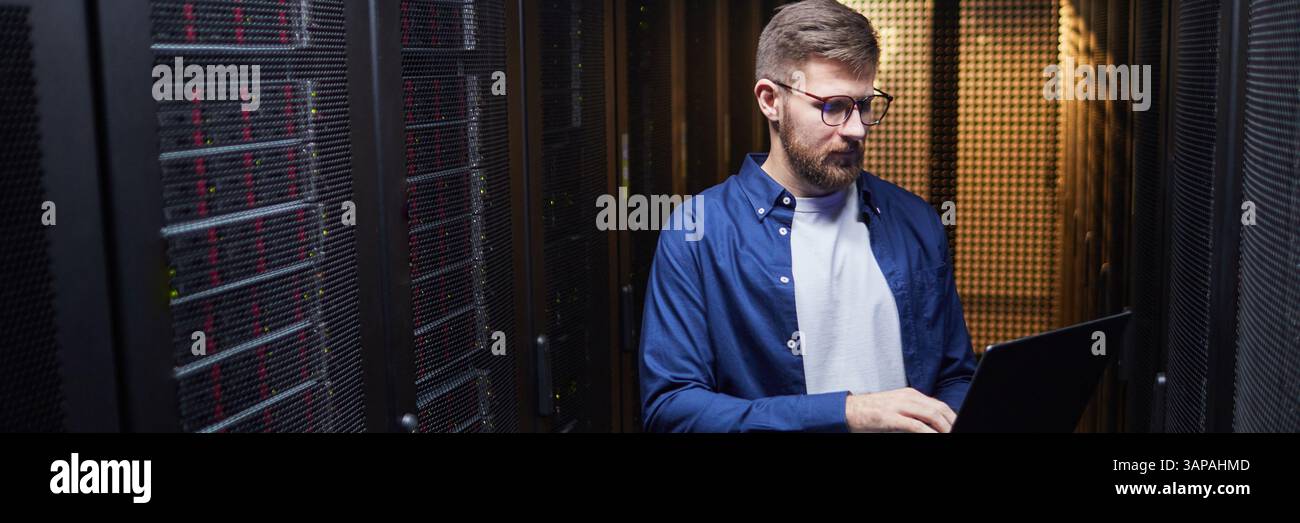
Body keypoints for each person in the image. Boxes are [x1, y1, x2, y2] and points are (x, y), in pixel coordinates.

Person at [639, 0, 976, 432]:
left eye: (865, 104)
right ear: (770, 100)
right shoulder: (699, 234)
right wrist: (847, 413)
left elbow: (956, 376)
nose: (856, 128)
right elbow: (672, 410)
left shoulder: (917, 221)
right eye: (833, 106)